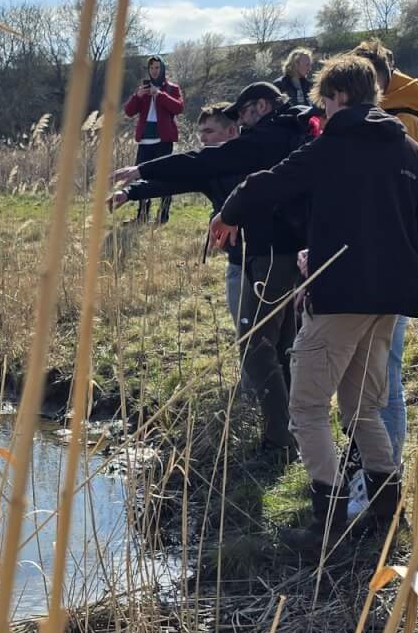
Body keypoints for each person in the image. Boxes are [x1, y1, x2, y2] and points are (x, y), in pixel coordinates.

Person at [219, 55, 418, 555]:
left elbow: (269, 183)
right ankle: (386, 513)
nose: (322, 109)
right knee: (363, 407)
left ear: (338, 97)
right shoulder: (409, 149)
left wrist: (228, 214)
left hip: (340, 298)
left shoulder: (333, 146)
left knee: (307, 408)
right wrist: (392, 268)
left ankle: (329, 524)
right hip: (390, 301)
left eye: (325, 101)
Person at [110, 84, 320, 454]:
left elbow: (199, 163)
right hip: (274, 257)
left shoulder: (264, 140)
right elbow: (184, 174)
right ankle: (292, 425)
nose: (242, 122)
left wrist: (141, 166)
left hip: (270, 258)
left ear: (260, 107)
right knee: (280, 343)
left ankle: (280, 438)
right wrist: (135, 189)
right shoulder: (289, 134)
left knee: (256, 344)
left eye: (242, 114)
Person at [350, 40, 418, 471]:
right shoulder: (369, 118)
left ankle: (387, 470)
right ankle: (369, 458)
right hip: (369, 261)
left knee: (384, 372)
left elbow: (409, 201)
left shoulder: (404, 123)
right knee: (366, 370)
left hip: (392, 262)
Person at [122, 56, 183, 224]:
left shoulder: (171, 88)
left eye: (157, 67)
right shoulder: (143, 90)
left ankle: (163, 215)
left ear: (162, 69)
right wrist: (137, 96)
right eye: (151, 68)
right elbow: (128, 112)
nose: (154, 71)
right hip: (145, 141)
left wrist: (160, 94)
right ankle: (142, 215)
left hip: (163, 141)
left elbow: (179, 108)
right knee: (141, 178)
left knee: (165, 178)